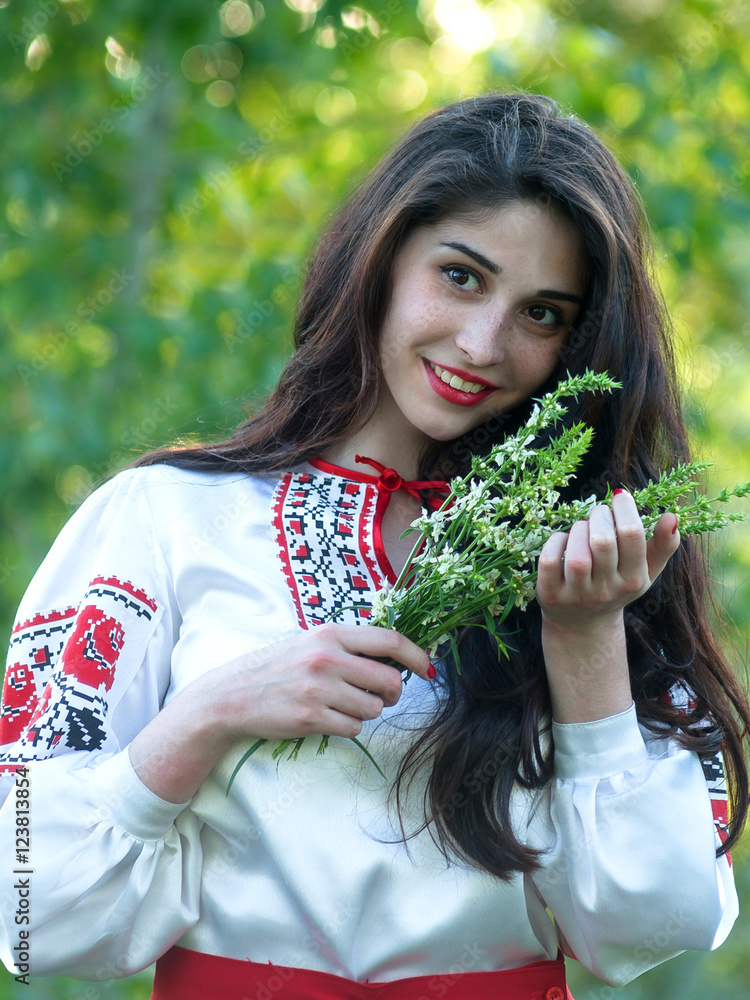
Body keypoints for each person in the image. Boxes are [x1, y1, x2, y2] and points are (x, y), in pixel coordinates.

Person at [0, 92, 747, 1000]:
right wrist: (209, 712)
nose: (483, 343)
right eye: (462, 276)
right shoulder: (163, 519)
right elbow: (25, 912)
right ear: (382, 258)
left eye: (543, 314)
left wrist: (585, 639)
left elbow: (657, 927)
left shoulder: (593, 551)